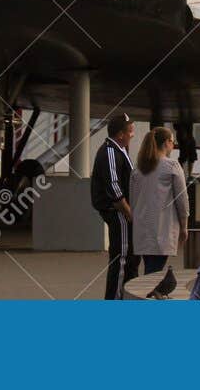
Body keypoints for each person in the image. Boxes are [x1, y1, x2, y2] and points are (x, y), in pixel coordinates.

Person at [131, 125, 189, 297]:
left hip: (142, 228)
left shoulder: (138, 168)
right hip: (162, 229)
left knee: (151, 270)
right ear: (166, 143)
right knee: (153, 275)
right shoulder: (171, 166)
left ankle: (152, 296)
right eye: (173, 141)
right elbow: (182, 199)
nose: (174, 145)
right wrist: (184, 226)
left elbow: (133, 200)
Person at [90, 112, 136, 300]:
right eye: (130, 132)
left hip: (120, 212)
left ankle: (125, 297)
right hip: (118, 213)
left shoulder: (119, 149)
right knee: (122, 259)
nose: (132, 135)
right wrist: (129, 212)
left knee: (129, 257)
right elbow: (114, 187)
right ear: (120, 134)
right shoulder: (110, 151)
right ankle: (115, 300)